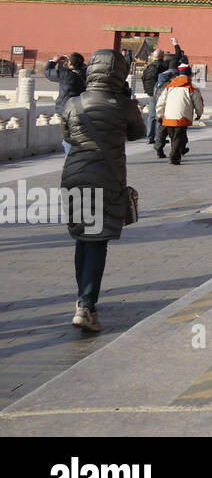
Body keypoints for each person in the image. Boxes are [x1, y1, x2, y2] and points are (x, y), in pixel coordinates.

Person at [61, 49, 145, 333]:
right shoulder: (124, 105)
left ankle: (82, 300)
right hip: (106, 178)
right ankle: (86, 306)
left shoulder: (74, 102)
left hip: (74, 174)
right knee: (96, 241)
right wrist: (125, 100)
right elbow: (137, 134)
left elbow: (67, 136)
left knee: (83, 239)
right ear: (120, 73)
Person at [155, 63, 203, 164]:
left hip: (168, 117)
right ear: (189, 74)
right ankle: (174, 157)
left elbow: (161, 101)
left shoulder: (169, 86)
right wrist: (199, 113)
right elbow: (198, 103)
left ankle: (175, 154)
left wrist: (160, 114)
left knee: (174, 137)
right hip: (182, 117)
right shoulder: (191, 88)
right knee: (177, 137)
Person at [45, 53, 88, 154]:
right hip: (83, 109)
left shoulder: (66, 74)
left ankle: (70, 158)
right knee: (80, 134)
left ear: (70, 64)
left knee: (68, 137)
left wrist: (53, 61)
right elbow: (84, 66)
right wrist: (74, 61)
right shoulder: (85, 73)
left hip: (67, 110)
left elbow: (48, 73)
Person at [141, 50, 166, 144]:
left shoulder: (149, 66)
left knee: (151, 116)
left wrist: (149, 91)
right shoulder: (164, 66)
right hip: (162, 93)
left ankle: (150, 137)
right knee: (161, 115)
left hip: (151, 93)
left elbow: (144, 78)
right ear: (162, 56)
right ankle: (160, 137)